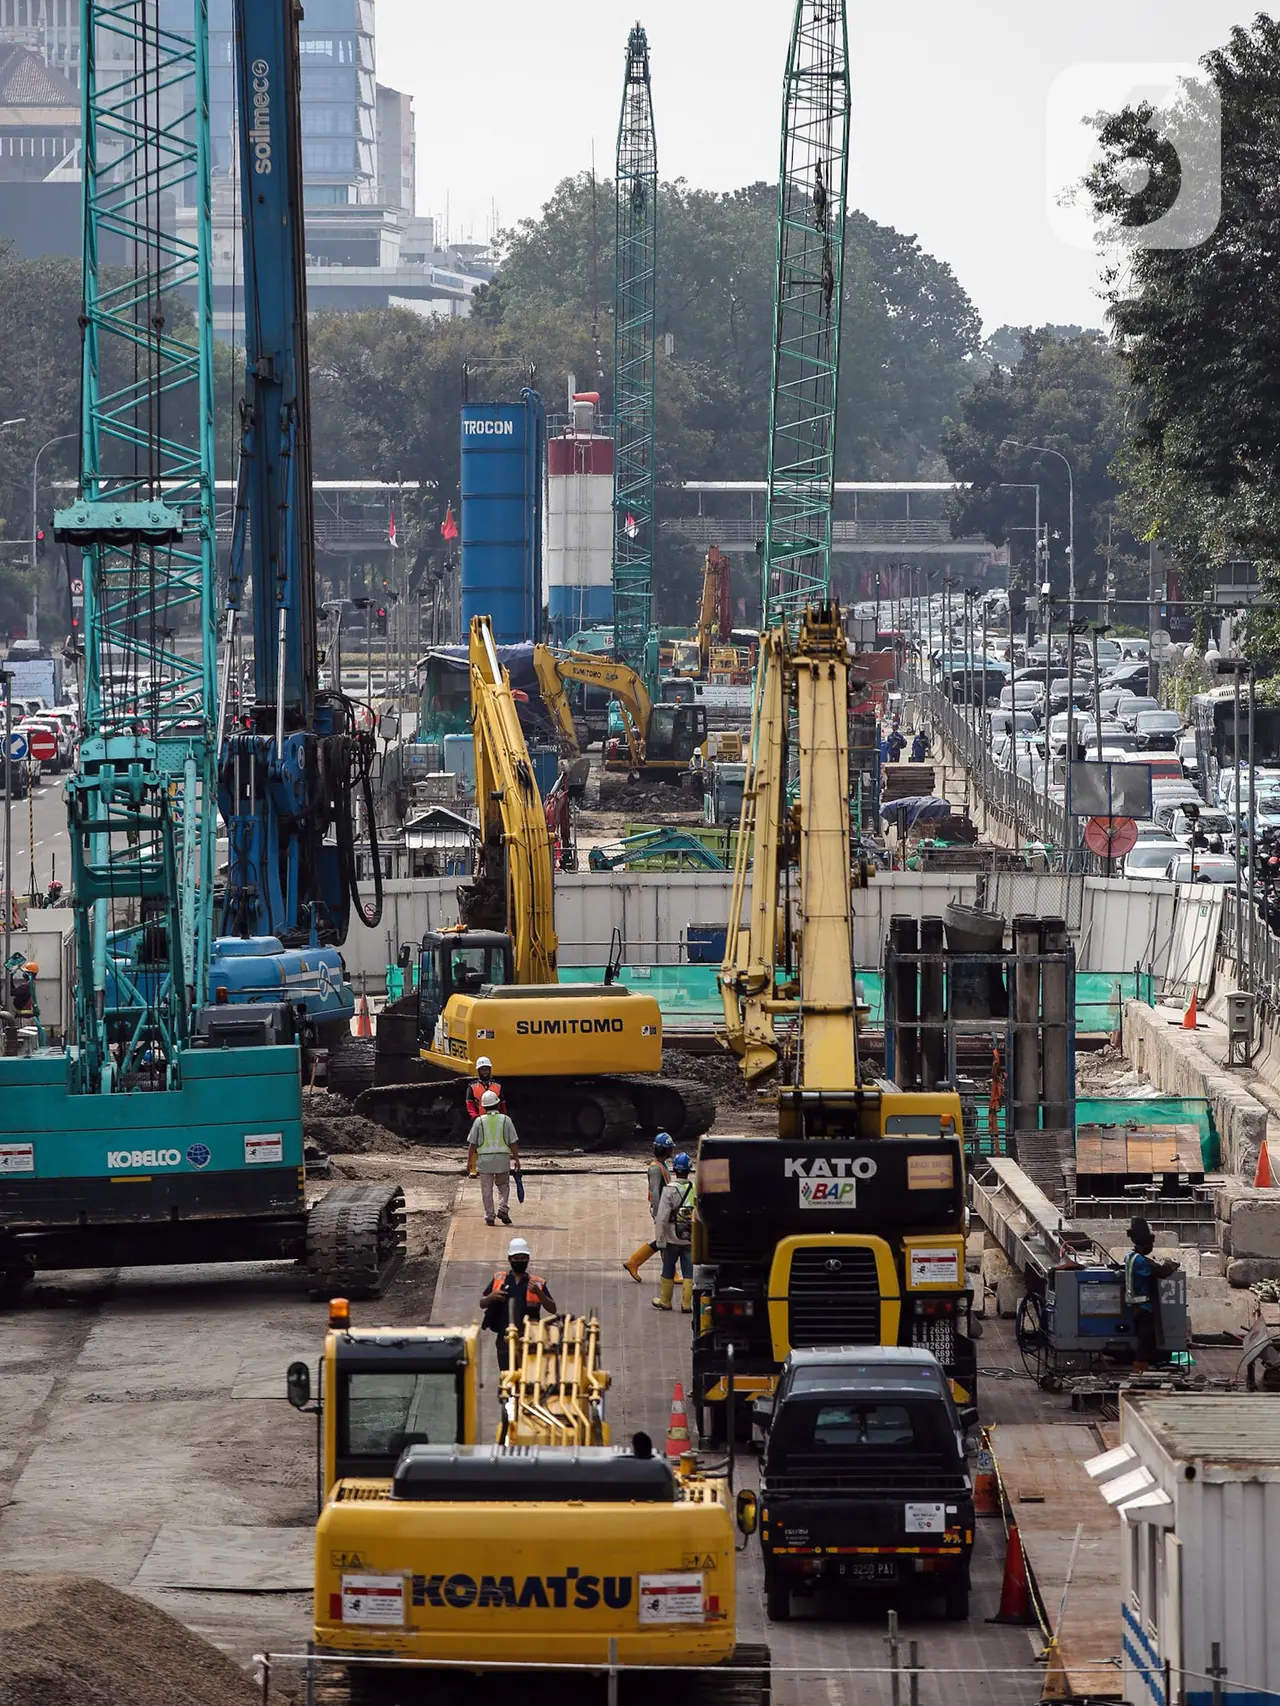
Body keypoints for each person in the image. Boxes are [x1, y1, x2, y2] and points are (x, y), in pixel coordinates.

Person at [481, 1238, 557, 1370]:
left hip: (530, 1339)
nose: (520, 1261)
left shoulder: (536, 1283)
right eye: (516, 1258)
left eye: (523, 1258)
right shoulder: (499, 1279)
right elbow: (482, 1303)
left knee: (528, 1378)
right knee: (507, 1376)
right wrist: (491, 1297)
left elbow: (552, 1308)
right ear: (510, 1259)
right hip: (505, 1340)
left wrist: (539, 1293)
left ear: (528, 1259)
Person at [1123, 1216, 1178, 1372]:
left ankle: (1144, 1369)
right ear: (1144, 1243)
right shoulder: (1141, 1261)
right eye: (1150, 1243)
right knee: (1146, 1341)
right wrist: (1171, 1264)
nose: (1151, 1246)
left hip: (1135, 1307)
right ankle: (1140, 1372)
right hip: (1143, 1308)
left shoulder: (1130, 1257)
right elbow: (1162, 1271)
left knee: (1146, 1340)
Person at [623, 1133, 674, 1283]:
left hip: (666, 1209)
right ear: (665, 1150)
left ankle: (670, 1272)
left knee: (666, 1240)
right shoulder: (655, 1169)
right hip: (661, 1210)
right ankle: (634, 1262)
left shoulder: (661, 1165)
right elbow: (655, 1192)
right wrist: (660, 1214)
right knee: (664, 1240)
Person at [466, 1089, 520, 1226]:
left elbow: (472, 1144)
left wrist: (469, 1162)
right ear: (497, 1104)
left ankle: (490, 1216)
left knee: (486, 1189)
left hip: (485, 1161)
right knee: (503, 1185)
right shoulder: (506, 1120)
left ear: (483, 1106)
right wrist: (517, 1159)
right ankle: (503, 1208)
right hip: (502, 1160)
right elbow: (513, 1142)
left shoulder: (479, 1121)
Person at [653, 1151, 696, 1314]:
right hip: (688, 1238)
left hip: (672, 1237)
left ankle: (665, 1301)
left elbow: (662, 1217)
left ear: (674, 1169)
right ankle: (686, 1304)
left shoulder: (669, 1190)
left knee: (668, 1269)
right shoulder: (694, 1188)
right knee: (688, 1272)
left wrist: (660, 1240)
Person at [466, 1055, 505, 1120]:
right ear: (479, 1071)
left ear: (489, 1070)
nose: (484, 1072)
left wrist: (503, 1117)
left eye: (486, 1069)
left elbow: (502, 1104)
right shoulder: (472, 1086)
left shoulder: (498, 1086)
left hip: (496, 1118)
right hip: (480, 1119)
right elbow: (470, 1104)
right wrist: (475, 1117)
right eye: (482, 1070)